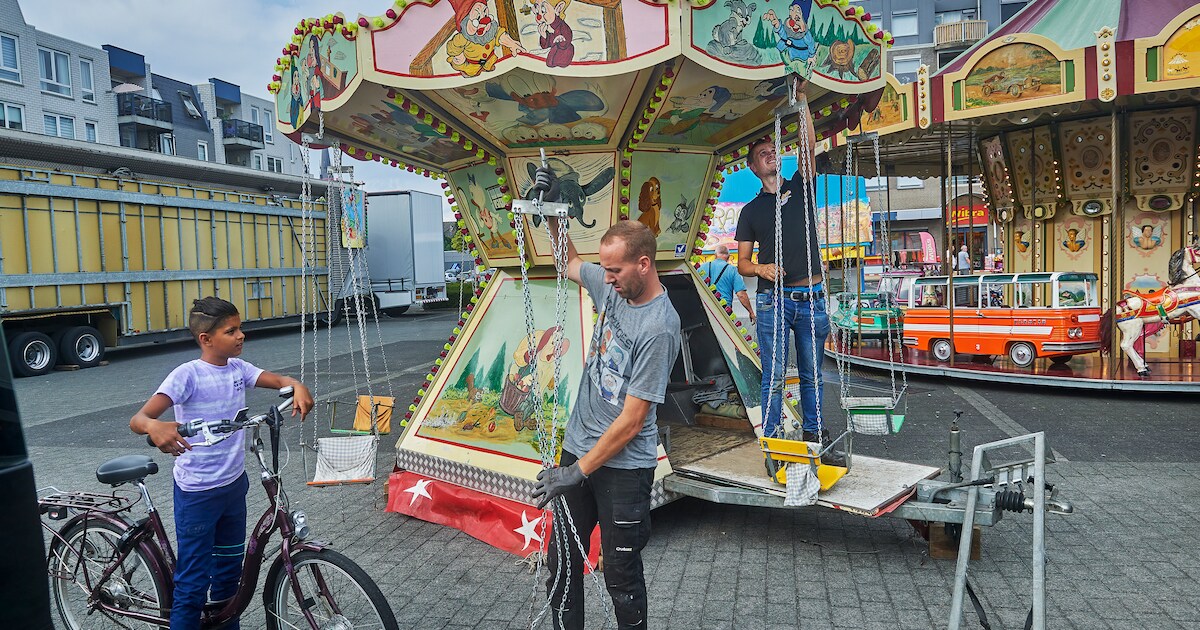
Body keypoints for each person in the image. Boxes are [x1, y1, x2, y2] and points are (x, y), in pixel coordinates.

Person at [526, 167, 681, 630]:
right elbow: (567, 262)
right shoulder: (612, 285)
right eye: (605, 270)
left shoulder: (659, 326)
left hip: (624, 470)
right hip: (578, 447)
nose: (606, 279)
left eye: (614, 271)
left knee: (621, 575)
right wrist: (556, 211)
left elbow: (633, 421)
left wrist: (576, 471)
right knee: (562, 565)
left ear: (643, 265)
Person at [130, 297, 314, 630]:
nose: (241, 335)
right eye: (231, 331)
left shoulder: (238, 370)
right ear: (206, 339)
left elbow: (279, 381)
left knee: (230, 575)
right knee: (193, 584)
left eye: (240, 328)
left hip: (233, 488)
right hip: (198, 494)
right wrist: (154, 426)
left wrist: (297, 385)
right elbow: (139, 419)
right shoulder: (187, 375)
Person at [734, 80, 842, 465]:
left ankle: (814, 435)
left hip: (811, 297)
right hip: (773, 300)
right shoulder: (750, 211)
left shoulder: (801, 186)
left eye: (772, 151)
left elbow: (808, 147)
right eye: (762, 153)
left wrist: (803, 102)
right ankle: (774, 444)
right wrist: (762, 267)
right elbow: (743, 263)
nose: (770, 155)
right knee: (774, 376)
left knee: (813, 374)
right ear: (752, 165)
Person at [701, 244, 755, 325]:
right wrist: (751, 312)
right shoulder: (732, 270)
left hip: (705, 309)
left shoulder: (702, 268)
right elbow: (741, 295)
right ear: (729, 257)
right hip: (724, 311)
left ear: (715, 255)